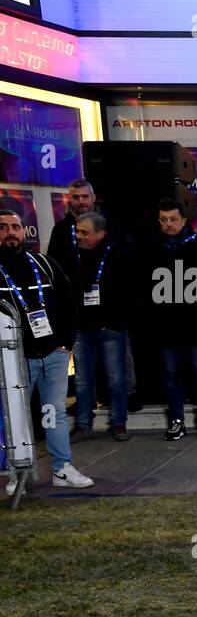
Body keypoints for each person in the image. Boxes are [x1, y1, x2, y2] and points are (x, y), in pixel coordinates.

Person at [0, 209, 93, 489]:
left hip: (53, 354)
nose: (10, 233)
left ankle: (61, 468)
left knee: (54, 413)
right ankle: (19, 475)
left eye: (15, 227)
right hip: (14, 361)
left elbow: (68, 302)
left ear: (23, 231)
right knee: (15, 417)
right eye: (3, 228)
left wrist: (66, 343)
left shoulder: (44, 264)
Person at [151, 200, 197, 441]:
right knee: (171, 373)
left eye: (172, 219)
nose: (168, 224)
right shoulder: (155, 249)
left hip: (195, 322)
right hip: (167, 324)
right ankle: (176, 420)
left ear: (183, 220)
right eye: (163, 220)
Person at [71, 213, 133, 442]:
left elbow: (128, 290)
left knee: (116, 377)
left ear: (101, 233)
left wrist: (116, 319)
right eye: (78, 231)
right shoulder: (73, 254)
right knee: (82, 379)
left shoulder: (117, 254)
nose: (80, 236)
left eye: (85, 232)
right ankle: (83, 424)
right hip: (82, 327)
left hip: (110, 326)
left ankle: (119, 423)